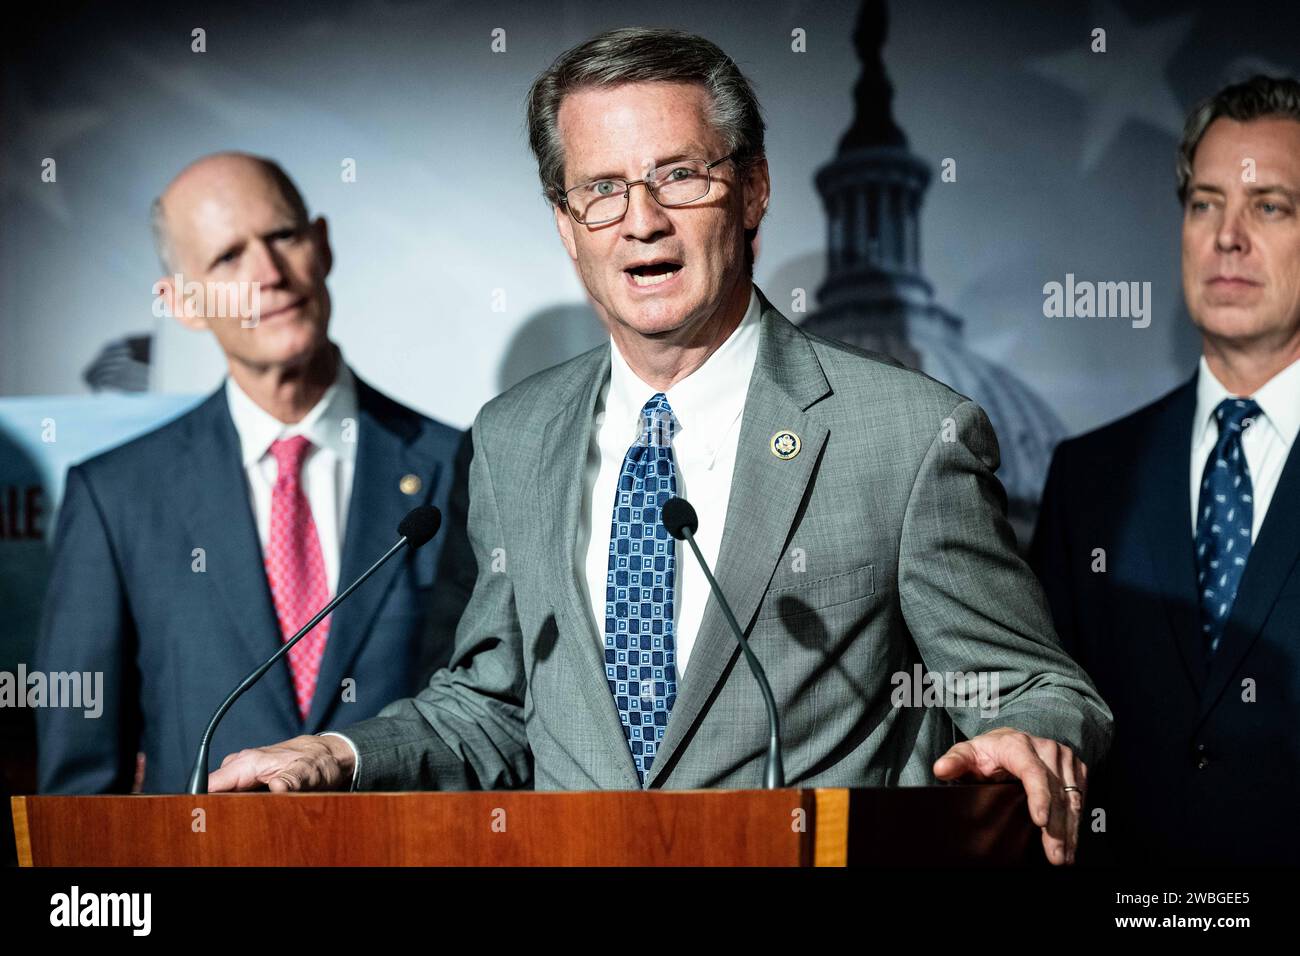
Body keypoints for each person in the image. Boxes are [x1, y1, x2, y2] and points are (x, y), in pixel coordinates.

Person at [212, 29, 1112, 867]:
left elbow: (1030, 683)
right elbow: (490, 707)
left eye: (679, 175)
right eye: (601, 189)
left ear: (754, 188)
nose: (641, 220)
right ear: (566, 226)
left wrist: (1027, 729)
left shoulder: (910, 436)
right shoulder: (512, 438)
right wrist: (336, 753)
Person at [35, 152, 471, 794]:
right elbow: (80, 789)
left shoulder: (457, 465)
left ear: (321, 246)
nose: (267, 273)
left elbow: (487, 721)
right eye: (228, 258)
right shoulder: (116, 497)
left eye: (283, 237)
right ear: (183, 303)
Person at [1031, 75, 1300, 865]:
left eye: (1270, 207)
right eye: (1205, 203)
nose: (1228, 236)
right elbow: (1050, 712)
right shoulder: (1089, 478)